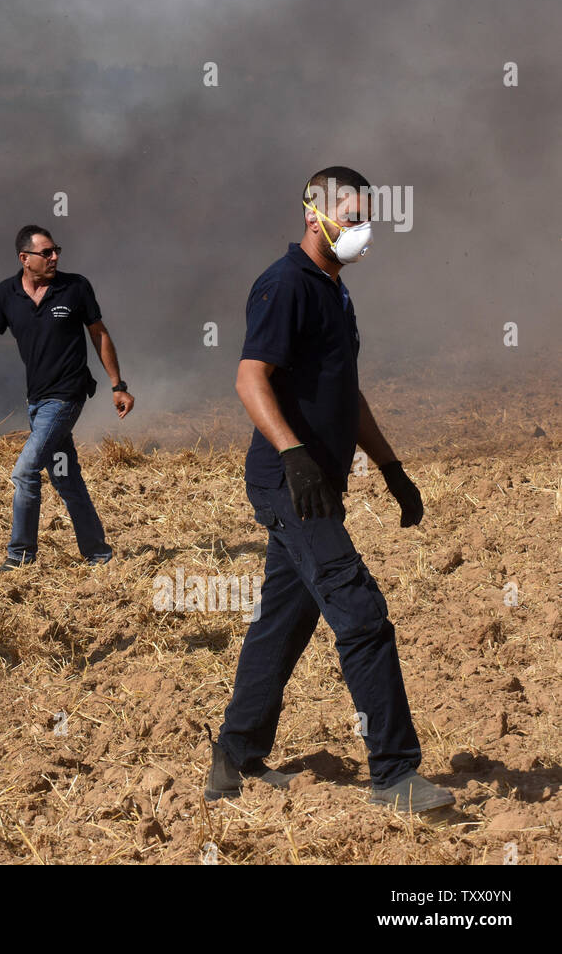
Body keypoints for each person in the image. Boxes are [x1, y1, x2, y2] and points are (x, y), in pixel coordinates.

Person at [207, 167, 454, 813]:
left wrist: (393, 469)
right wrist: (293, 453)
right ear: (313, 211)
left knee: (282, 624)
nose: (360, 227)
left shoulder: (335, 292)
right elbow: (249, 378)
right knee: (361, 611)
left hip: (319, 484)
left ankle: (234, 754)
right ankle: (395, 772)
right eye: (350, 213)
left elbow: (349, 393)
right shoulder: (286, 283)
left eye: (366, 215)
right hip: (292, 485)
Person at [0, 225, 133, 572]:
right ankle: (99, 554)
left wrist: (118, 384)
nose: (55, 257)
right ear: (25, 259)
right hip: (37, 400)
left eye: (56, 250)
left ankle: (19, 556)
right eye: (46, 252)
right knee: (66, 477)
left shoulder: (75, 288)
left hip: (67, 395)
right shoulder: (5, 294)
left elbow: (99, 335)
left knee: (25, 472)